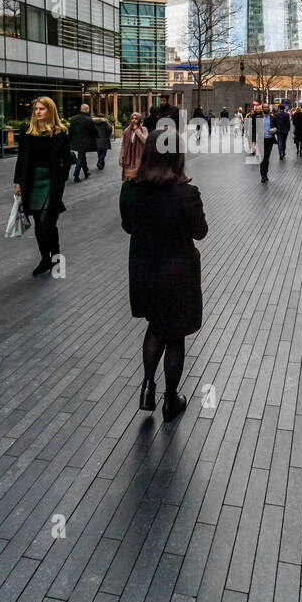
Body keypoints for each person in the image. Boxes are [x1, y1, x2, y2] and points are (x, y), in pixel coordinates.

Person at [120, 128, 208, 421]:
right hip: (178, 274)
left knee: (156, 326)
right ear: (177, 156)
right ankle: (171, 400)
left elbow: (128, 226)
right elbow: (201, 232)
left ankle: (147, 385)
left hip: (145, 270)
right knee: (176, 337)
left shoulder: (130, 189)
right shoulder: (186, 193)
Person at [12, 97, 72, 275]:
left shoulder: (60, 133)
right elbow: (21, 158)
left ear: (50, 111)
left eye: (42, 109)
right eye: (36, 109)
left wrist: (62, 178)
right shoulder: (27, 132)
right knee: (39, 223)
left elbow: (67, 159)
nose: (37, 112)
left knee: (48, 222)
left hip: (51, 182)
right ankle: (45, 258)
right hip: (32, 181)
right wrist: (17, 182)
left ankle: (56, 256)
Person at [68, 103, 96, 182]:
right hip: (85, 142)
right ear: (87, 110)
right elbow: (93, 131)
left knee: (82, 156)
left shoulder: (73, 119)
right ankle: (76, 174)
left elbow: (71, 132)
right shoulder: (89, 119)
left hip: (75, 141)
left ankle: (86, 171)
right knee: (81, 157)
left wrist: (68, 141)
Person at [119, 110, 148, 181]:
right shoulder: (127, 131)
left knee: (138, 175)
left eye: (136, 118)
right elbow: (123, 145)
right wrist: (121, 156)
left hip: (139, 155)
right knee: (129, 176)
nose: (134, 120)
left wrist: (137, 131)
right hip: (129, 156)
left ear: (139, 120)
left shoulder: (143, 129)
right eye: (132, 118)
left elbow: (145, 141)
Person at [259, 103, 277, 183]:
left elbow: (277, 128)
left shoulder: (273, 118)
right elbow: (254, 129)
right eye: (265, 107)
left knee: (267, 158)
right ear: (262, 109)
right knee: (262, 158)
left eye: (267, 107)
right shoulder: (258, 118)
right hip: (261, 140)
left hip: (269, 140)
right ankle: (263, 176)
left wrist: (274, 131)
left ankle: (265, 174)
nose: (266, 108)